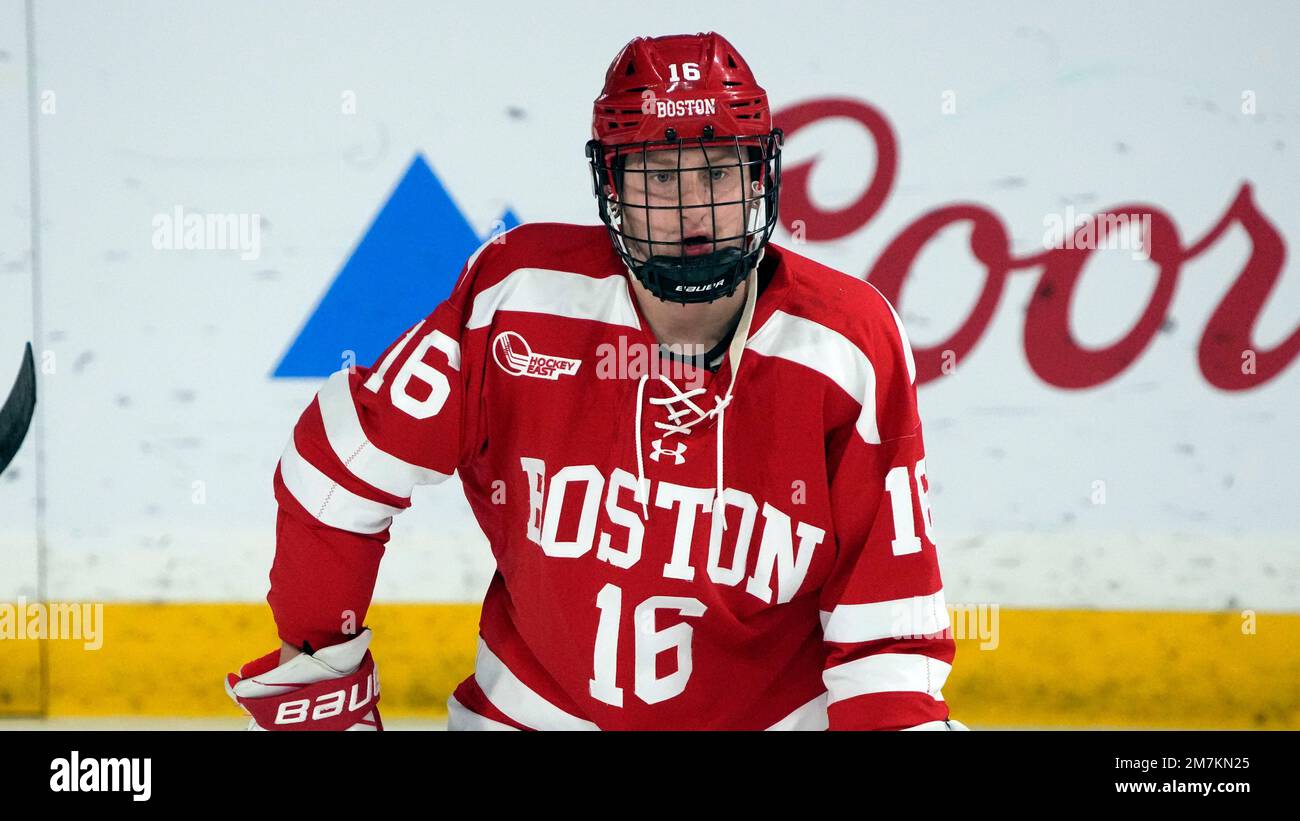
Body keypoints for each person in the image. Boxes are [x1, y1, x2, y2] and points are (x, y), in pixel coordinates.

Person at [226, 31, 963, 731]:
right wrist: (319, 676)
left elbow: (886, 636)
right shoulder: (519, 297)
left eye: (716, 171)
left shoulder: (846, 346)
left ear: (759, 176)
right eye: (659, 175)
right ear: (610, 186)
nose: (691, 210)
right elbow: (335, 473)